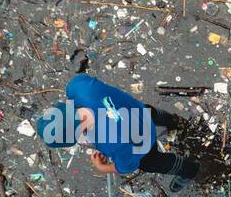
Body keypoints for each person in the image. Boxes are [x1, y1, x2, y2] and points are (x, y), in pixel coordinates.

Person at [38, 73, 200, 186]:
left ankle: (190, 170)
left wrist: (103, 168)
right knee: (154, 114)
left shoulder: (109, 142)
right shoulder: (78, 87)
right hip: (138, 110)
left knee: (156, 162)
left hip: (144, 144)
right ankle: (175, 121)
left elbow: (127, 165)